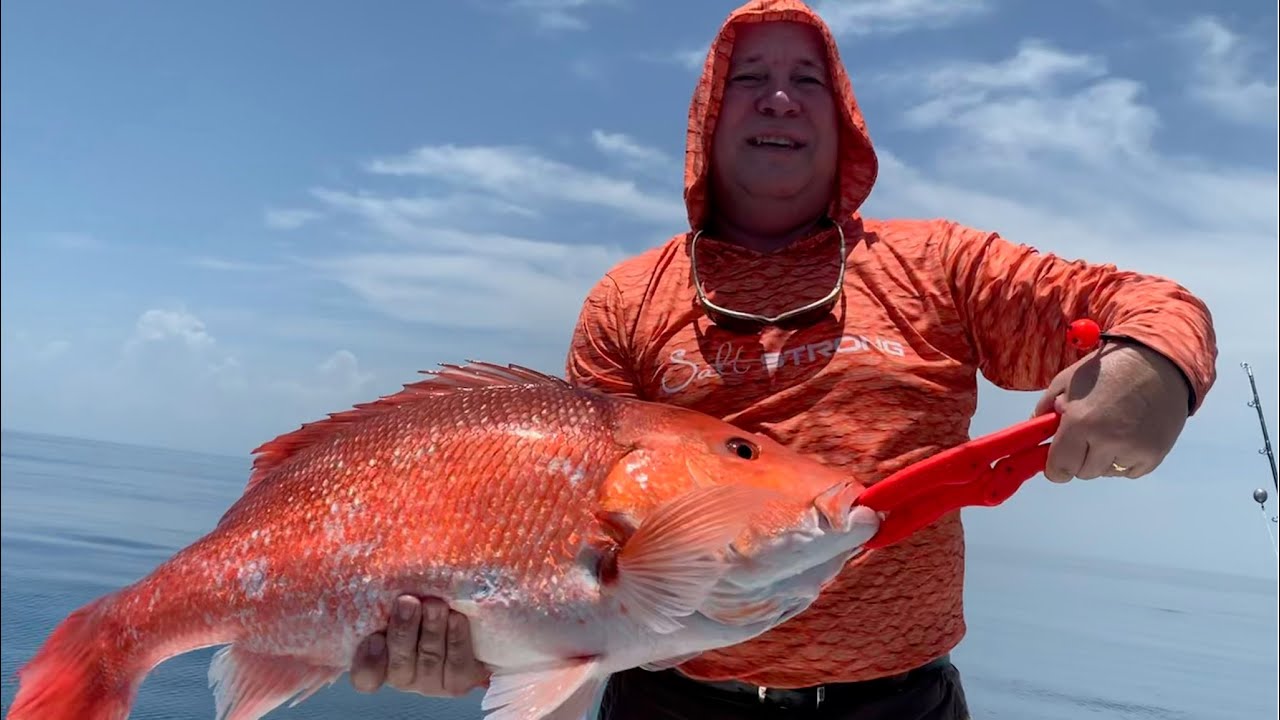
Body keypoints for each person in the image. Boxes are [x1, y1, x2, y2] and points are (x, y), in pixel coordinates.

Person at [346, 0, 1219, 717]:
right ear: (706, 121)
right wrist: (482, 644)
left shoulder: (940, 265)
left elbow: (1153, 302)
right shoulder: (626, 299)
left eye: (807, 81)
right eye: (749, 81)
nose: (778, 100)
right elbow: (575, 541)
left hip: (899, 705)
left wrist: (1156, 368)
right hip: (673, 705)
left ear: (843, 124)